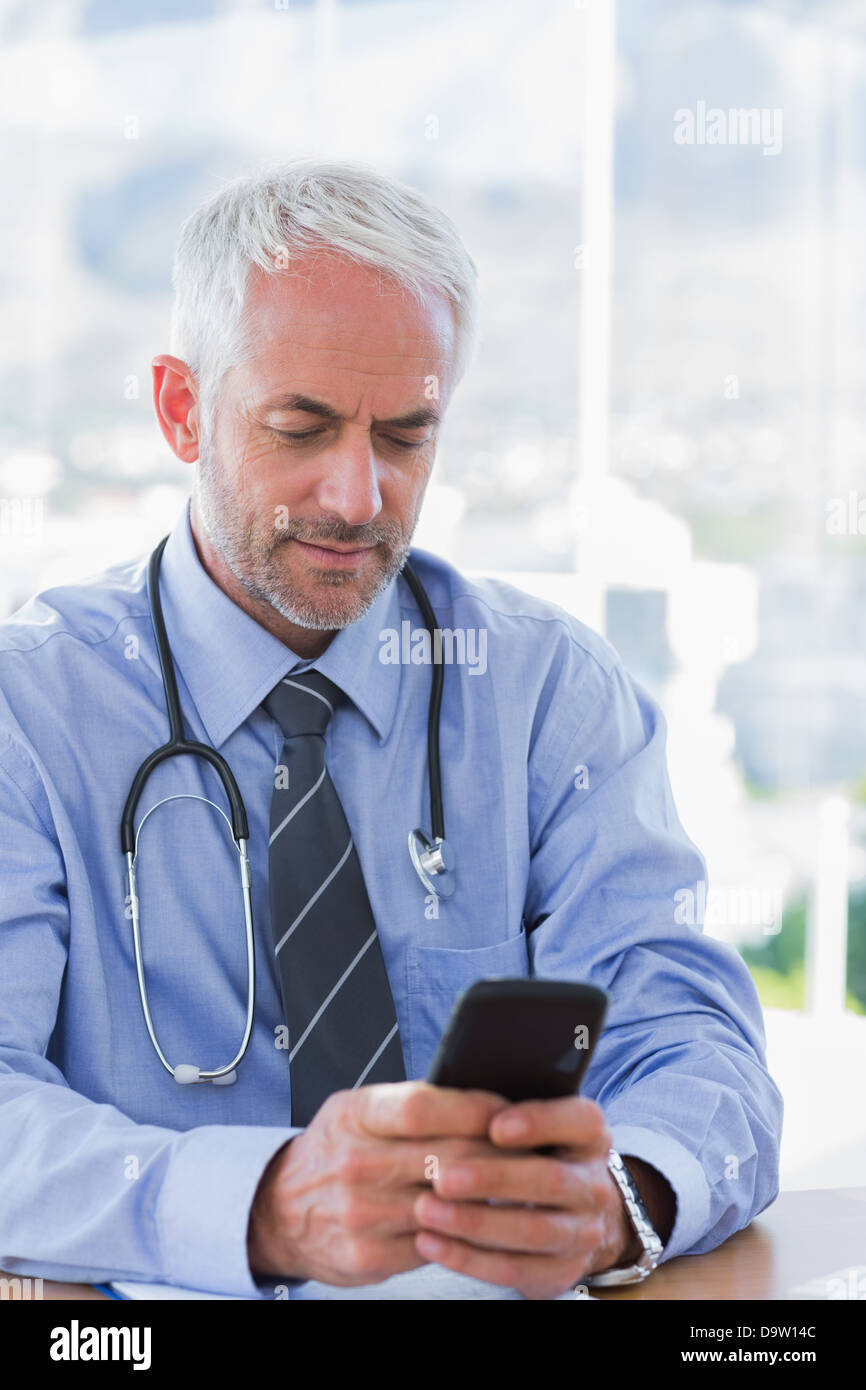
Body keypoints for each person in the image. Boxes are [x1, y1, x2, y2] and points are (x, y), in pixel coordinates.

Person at [0, 158, 782, 1301]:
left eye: (406, 435)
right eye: (301, 427)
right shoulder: (32, 710)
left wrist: (619, 1203)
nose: (358, 495)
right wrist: (264, 1208)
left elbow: (691, 1039)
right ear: (181, 409)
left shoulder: (542, 691)